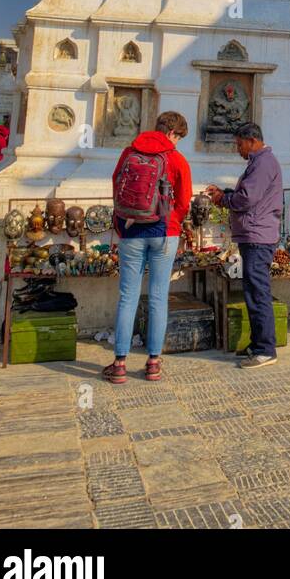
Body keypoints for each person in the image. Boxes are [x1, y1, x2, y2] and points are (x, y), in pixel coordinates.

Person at [103, 111, 192, 385]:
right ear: (172, 133)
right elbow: (185, 201)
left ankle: (120, 363)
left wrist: (122, 224)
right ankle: (153, 363)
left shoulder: (129, 152)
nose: (177, 142)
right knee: (158, 297)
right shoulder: (176, 159)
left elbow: (117, 185)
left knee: (127, 297)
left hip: (131, 232)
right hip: (164, 233)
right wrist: (171, 221)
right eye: (178, 137)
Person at [205, 121, 283, 368]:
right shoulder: (259, 163)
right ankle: (257, 343)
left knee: (258, 291)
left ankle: (265, 349)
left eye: (239, 144)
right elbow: (249, 195)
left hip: (258, 236)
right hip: (254, 233)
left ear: (252, 141)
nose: (238, 149)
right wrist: (225, 193)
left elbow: (247, 199)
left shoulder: (263, 163)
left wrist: (224, 199)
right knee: (252, 290)